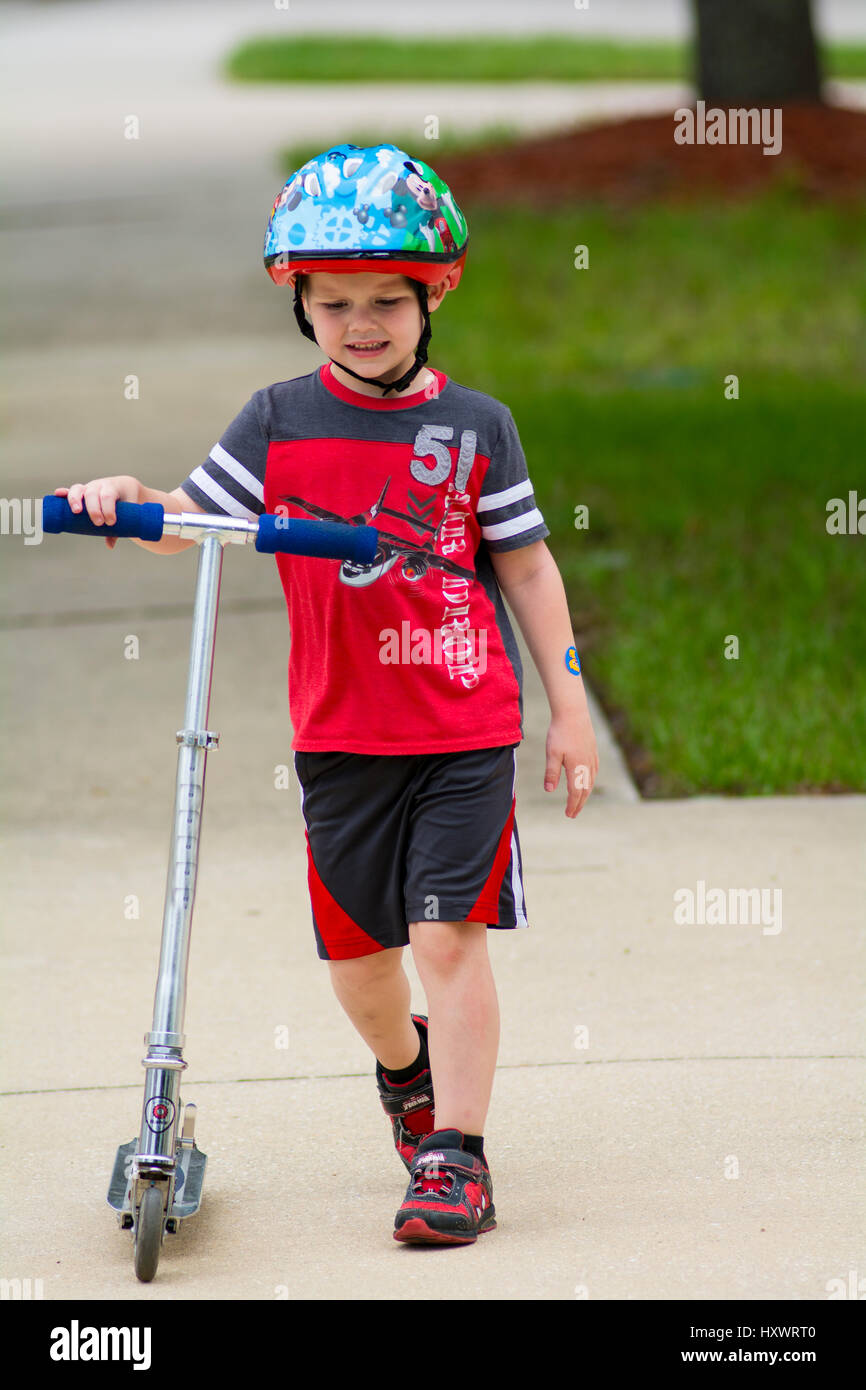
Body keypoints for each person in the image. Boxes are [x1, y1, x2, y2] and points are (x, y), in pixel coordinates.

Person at [54, 143, 599, 1246]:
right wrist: (124, 498)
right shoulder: (276, 420)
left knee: (447, 936)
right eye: (334, 300)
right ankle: (405, 1071)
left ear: (430, 297)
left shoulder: (476, 427)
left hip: (462, 727)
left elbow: (527, 566)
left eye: (386, 301)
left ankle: (456, 1156)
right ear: (299, 304)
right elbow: (191, 520)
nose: (361, 322)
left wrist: (569, 704)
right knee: (361, 970)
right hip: (342, 737)